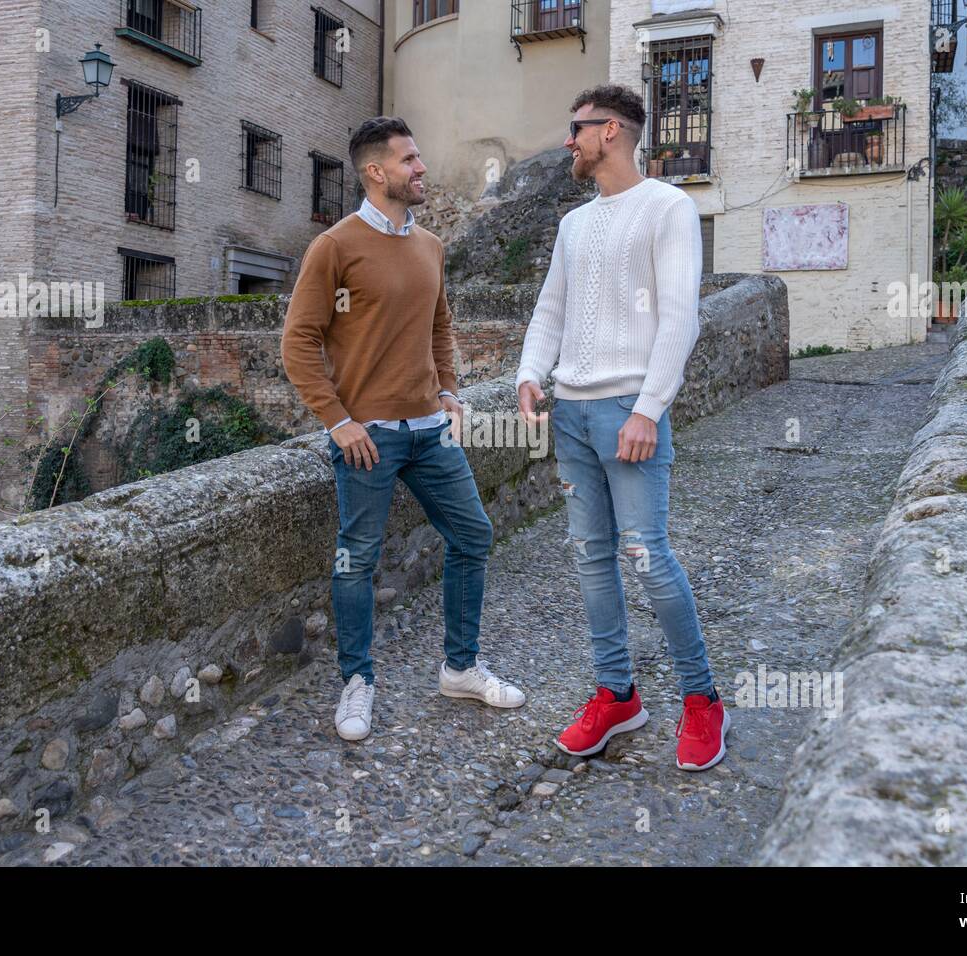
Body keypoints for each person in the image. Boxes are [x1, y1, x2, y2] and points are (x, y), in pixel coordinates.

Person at [282, 117, 525, 742]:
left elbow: (440, 328)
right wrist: (337, 422)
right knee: (356, 559)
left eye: (419, 158)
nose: (422, 169)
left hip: (430, 431)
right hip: (369, 435)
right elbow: (299, 341)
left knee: (474, 534)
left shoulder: (431, 246)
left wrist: (450, 392)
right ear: (376, 172)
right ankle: (357, 684)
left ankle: (461, 667)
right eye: (410, 160)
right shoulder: (334, 246)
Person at [516, 86, 728, 771]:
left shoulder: (668, 208)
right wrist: (529, 372)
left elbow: (680, 317)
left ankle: (702, 702)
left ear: (610, 131)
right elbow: (551, 307)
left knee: (649, 558)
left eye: (576, 129)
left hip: (627, 410)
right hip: (571, 414)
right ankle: (616, 695)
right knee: (589, 557)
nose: (568, 141)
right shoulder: (576, 224)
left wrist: (648, 408)